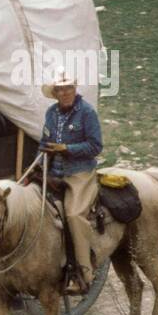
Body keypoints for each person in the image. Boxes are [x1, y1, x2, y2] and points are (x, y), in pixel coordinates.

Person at [40, 73, 103, 295]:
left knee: (74, 215)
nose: (64, 93)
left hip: (80, 173)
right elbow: (44, 141)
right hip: (54, 173)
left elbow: (96, 146)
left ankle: (85, 272)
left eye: (68, 88)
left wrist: (68, 150)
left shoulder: (86, 112)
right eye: (60, 89)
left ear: (74, 89)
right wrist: (44, 152)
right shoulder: (50, 113)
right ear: (55, 93)